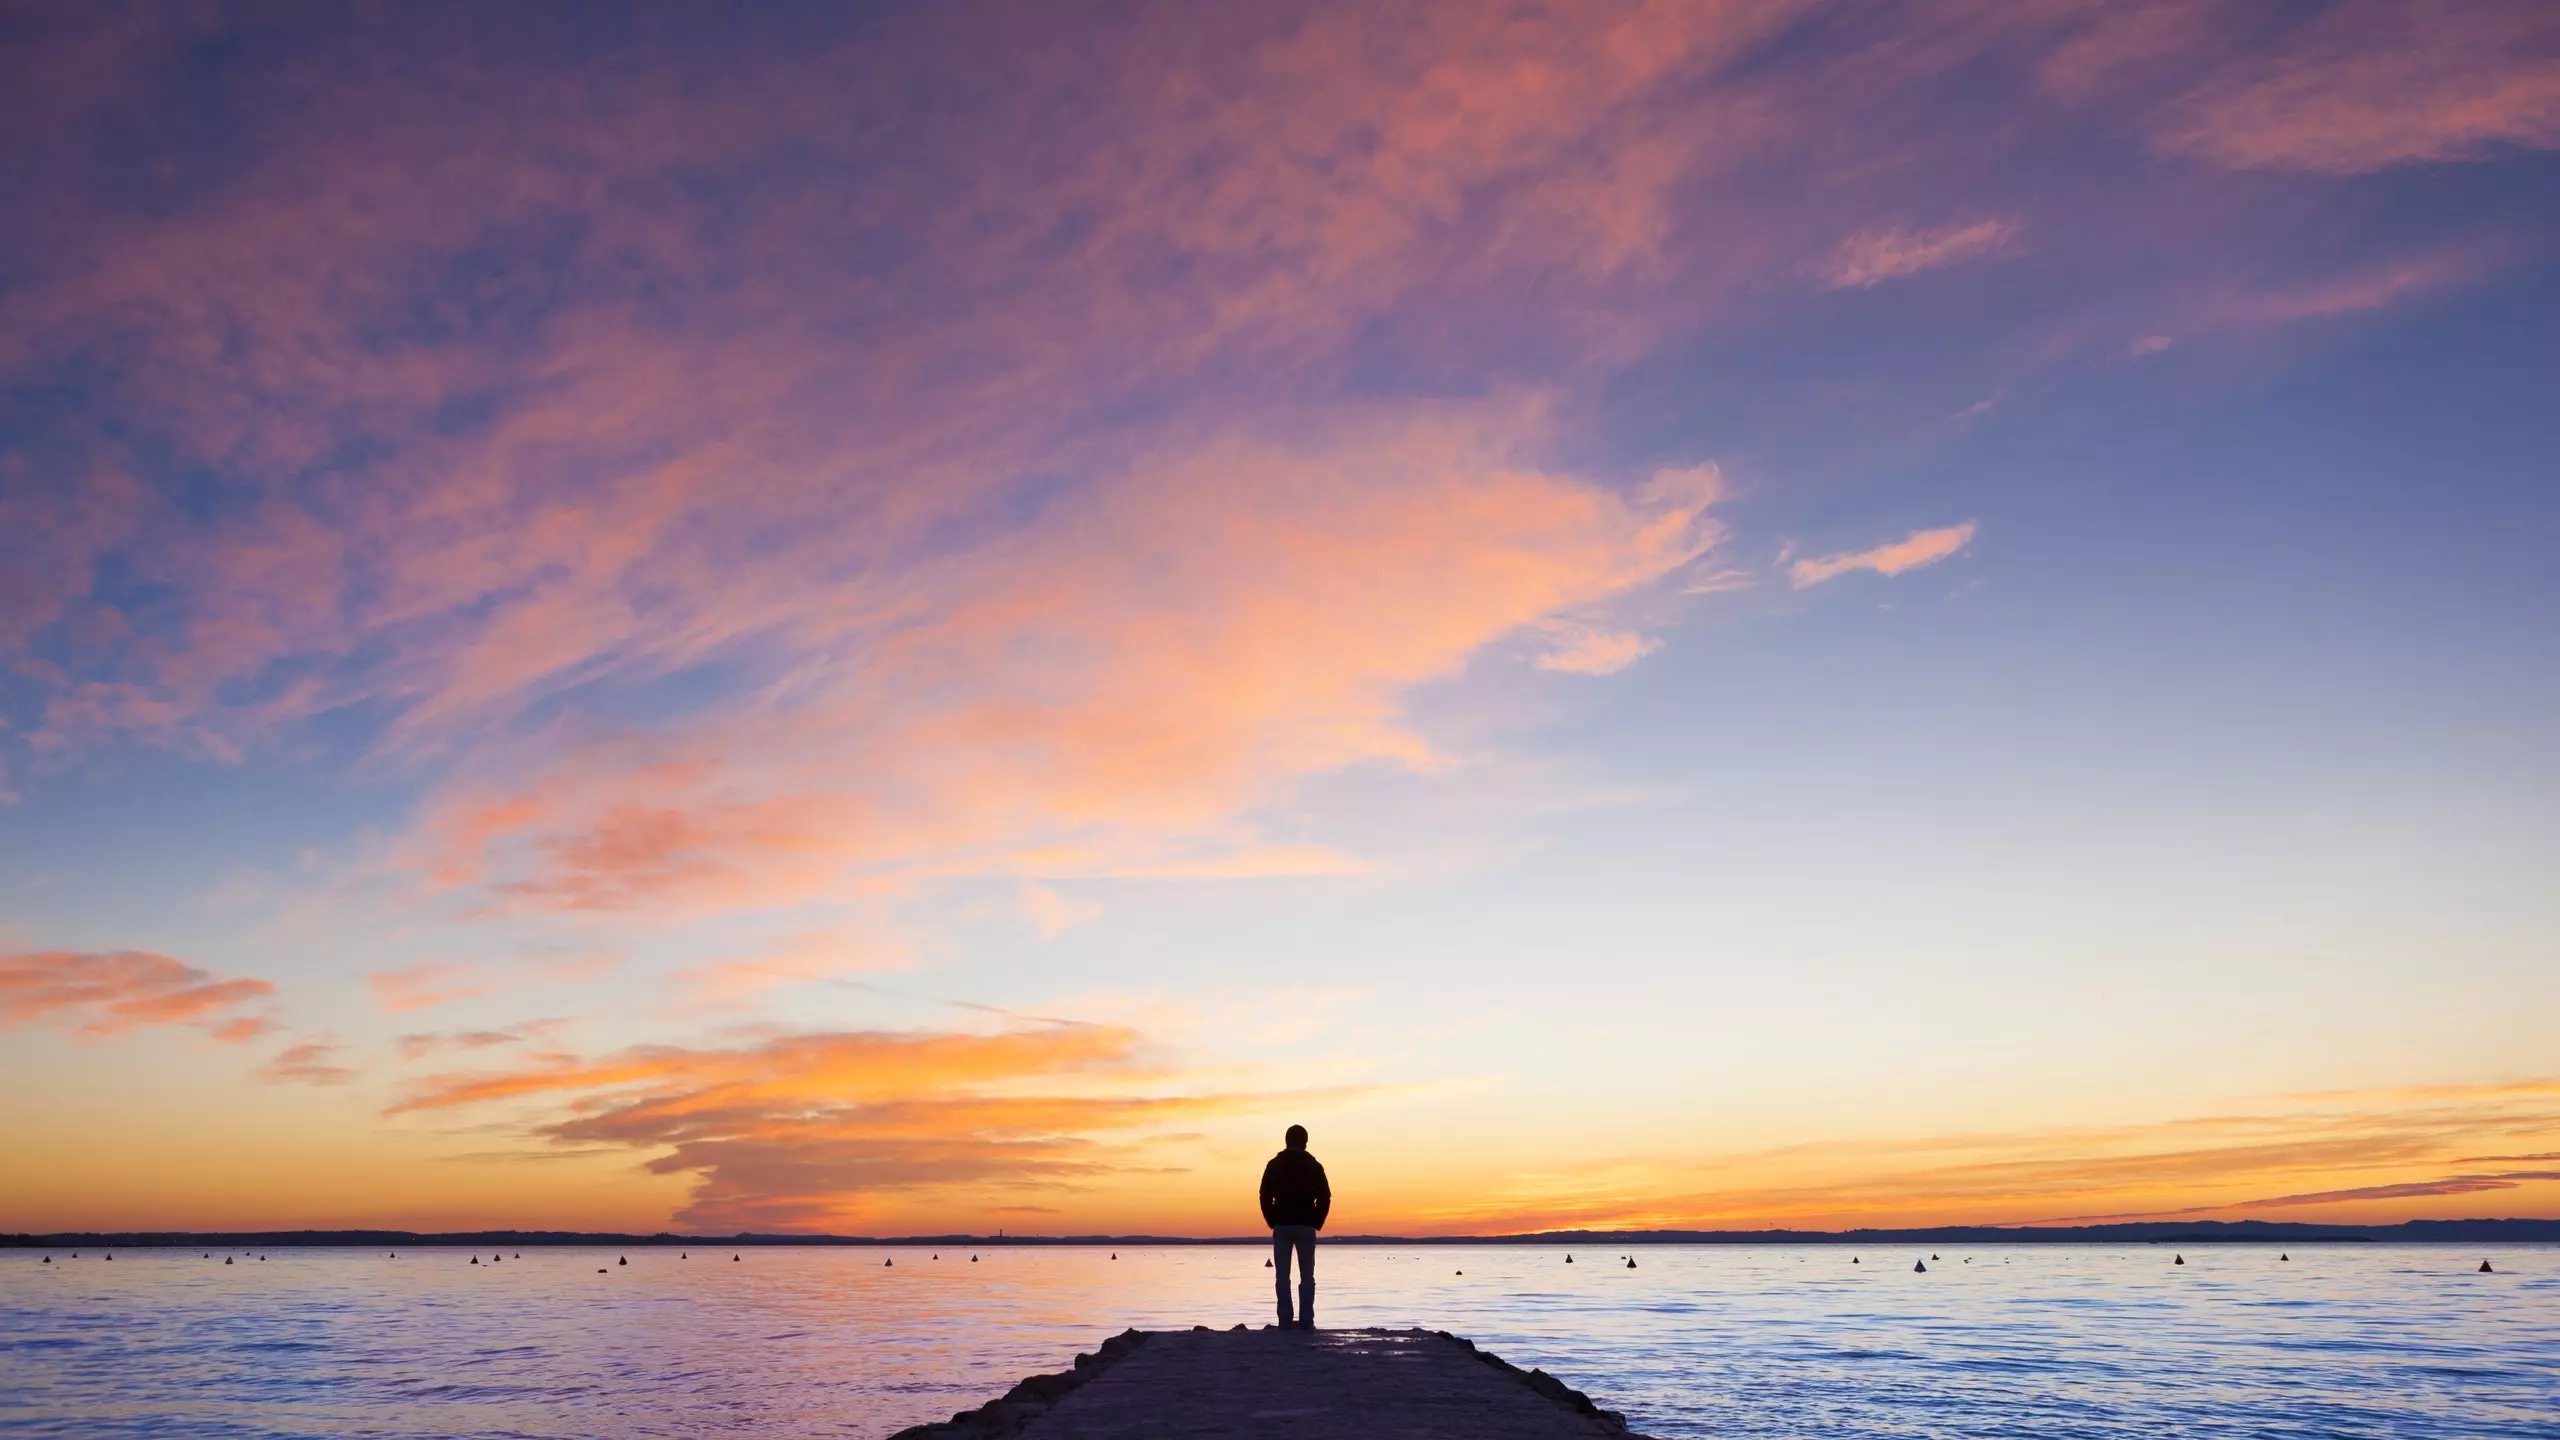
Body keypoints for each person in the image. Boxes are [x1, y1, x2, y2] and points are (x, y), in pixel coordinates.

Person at [1259, 1123, 1331, 1329]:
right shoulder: (1314, 1166)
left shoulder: (1275, 1164)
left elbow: (1264, 1195)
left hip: (1282, 1224)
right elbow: (1325, 1196)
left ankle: (1285, 1320)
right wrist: (1316, 1221)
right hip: (1305, 1225)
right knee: (1307, 1275)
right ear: (1305, 1142)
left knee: (1282, 1276)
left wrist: (1272, 1220)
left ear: (1287, 1141)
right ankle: (1306, 1320)